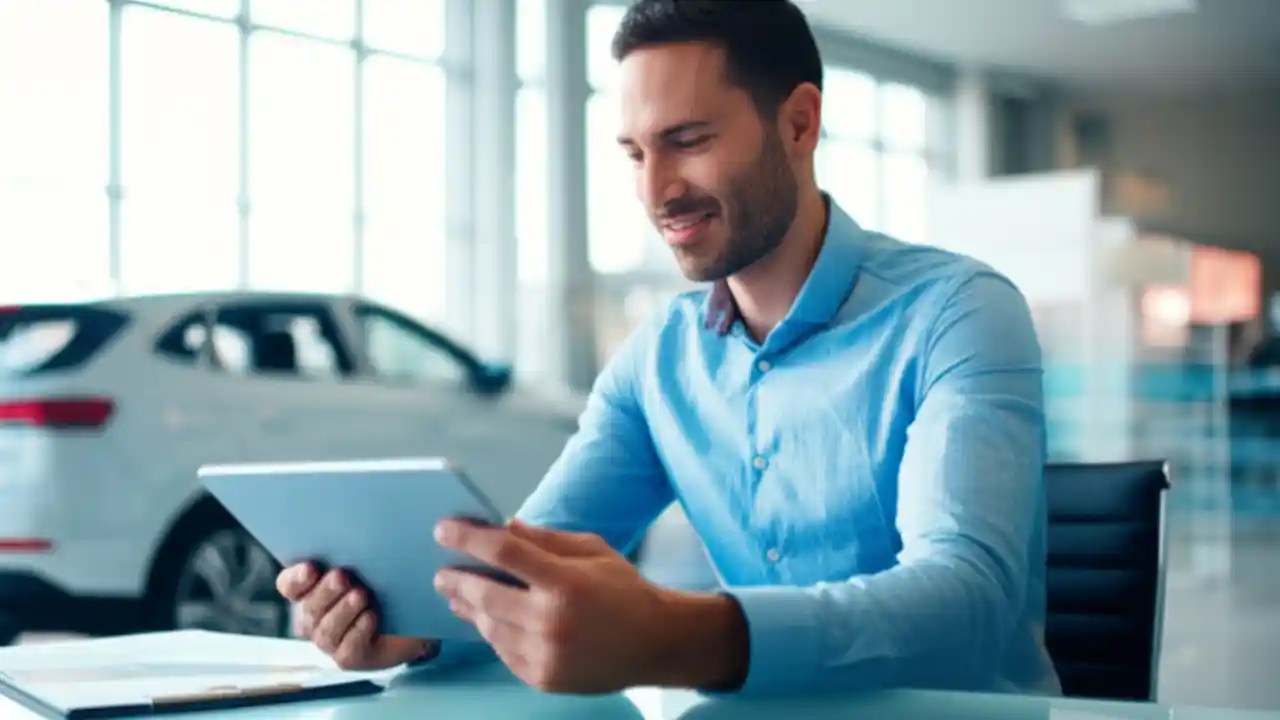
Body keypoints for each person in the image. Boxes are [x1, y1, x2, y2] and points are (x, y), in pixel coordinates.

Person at [277, 0, 1061, 696]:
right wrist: (413, 628)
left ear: (798, 123)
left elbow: (967, 598)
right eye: (634, 153)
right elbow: (529, 565)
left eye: (686, 141)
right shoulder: (659, 359)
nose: (656, 192)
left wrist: (673, 636)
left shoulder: (959, 311)